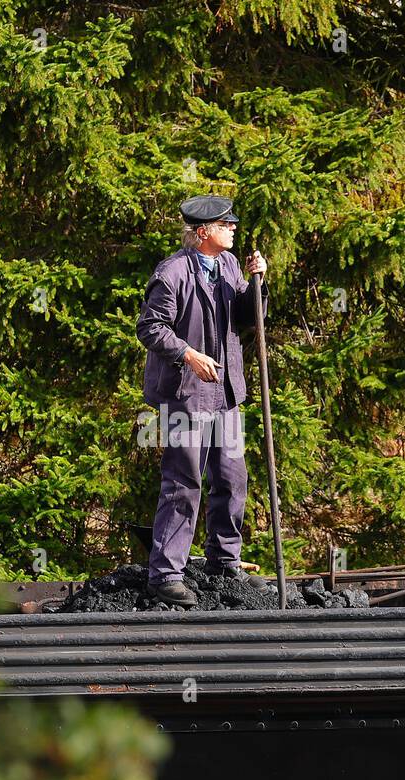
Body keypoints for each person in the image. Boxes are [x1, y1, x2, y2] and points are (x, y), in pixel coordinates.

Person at [135, 195, 270, 607]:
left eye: (232, 223)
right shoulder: (173, 272)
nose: (233, 228)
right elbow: (149, 327)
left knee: (232, 479)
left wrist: (259, 283)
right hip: (183, 397)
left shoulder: (229, 265)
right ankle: (165, 575)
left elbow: (248, 319)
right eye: (226, 224)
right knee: (184, 483)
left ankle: (224, 561)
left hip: (225, 395)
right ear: (202, 232)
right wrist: (188, 355)